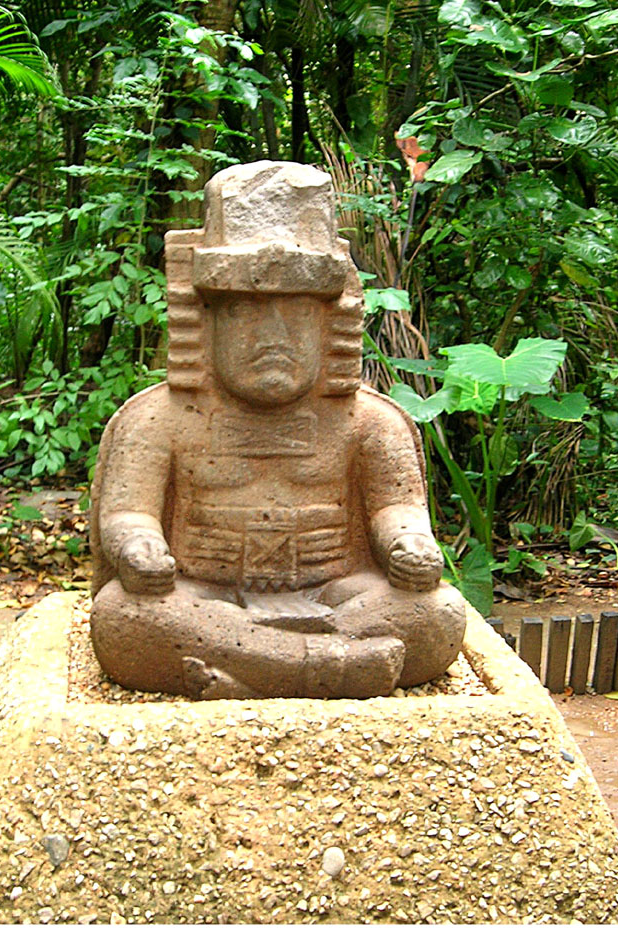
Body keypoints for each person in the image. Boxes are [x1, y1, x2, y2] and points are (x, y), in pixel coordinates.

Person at [89, 161, 466, 699]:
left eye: (299, 315)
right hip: (203, 594)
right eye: (246, 313)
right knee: (123, 614)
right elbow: (128, 513)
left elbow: (396, 508)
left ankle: (250, 670)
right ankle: (333, 669)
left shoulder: (370, 422)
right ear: (205, 321)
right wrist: (138, 548)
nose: (274, 335)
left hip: (337, 595)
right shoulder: (159, 420)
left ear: (330, 324)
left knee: (437, 611)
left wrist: (410, 544)